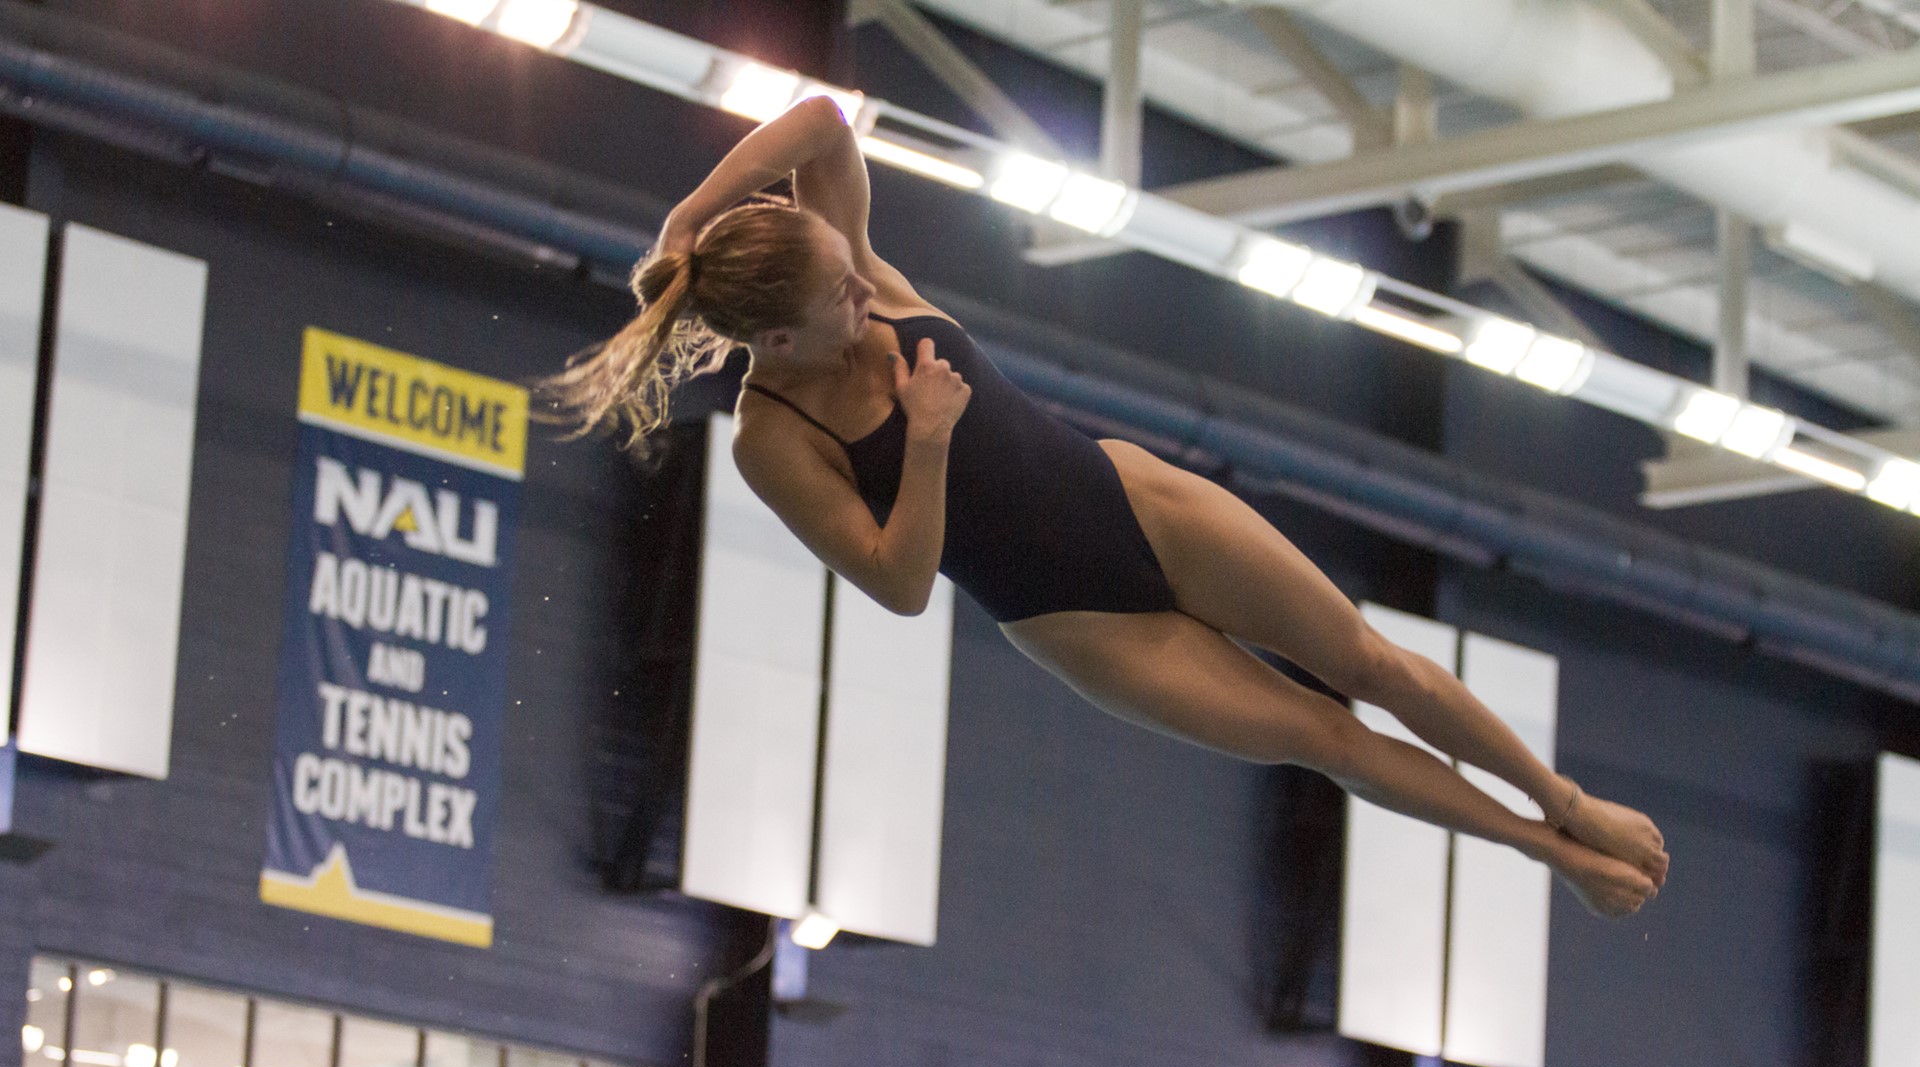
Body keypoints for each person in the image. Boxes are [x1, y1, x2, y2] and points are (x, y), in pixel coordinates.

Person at [539, 95, 1671, 919]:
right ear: (776, 340)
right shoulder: (775, 441)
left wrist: (688, 218)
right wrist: (925, 443)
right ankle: (1555, 857)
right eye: (840, 289)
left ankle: (1567, 798)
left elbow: (827, 123)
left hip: (1131, 493)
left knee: (1368, 661)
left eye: (848, 260)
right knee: (1331, 738)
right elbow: (894, 582)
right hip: (1083, 622)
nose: (864, 283)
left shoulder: (861, 278)